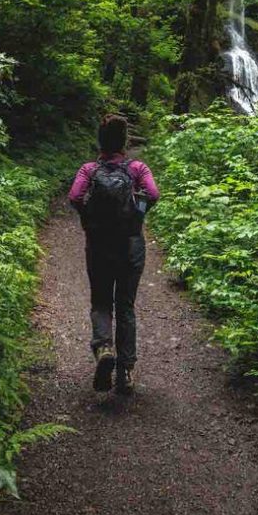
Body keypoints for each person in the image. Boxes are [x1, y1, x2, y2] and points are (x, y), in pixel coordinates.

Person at [68, 114, 159, 394]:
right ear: (125, 142)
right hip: (130, 246)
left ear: (100, 140)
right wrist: (135, 216)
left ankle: (104, 347)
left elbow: (74, 197)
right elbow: (153, 194)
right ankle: (126, 373)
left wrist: (91, 218)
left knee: (101, 302)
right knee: (126, 307)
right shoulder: (137, 168)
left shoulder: (89, 169)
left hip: (99, 245)